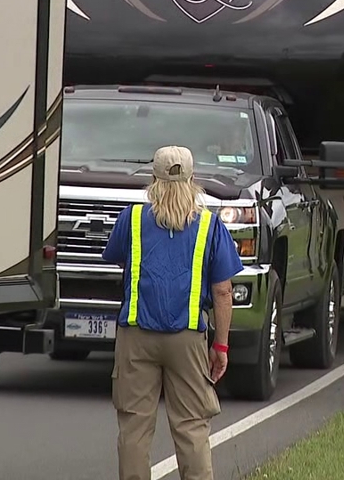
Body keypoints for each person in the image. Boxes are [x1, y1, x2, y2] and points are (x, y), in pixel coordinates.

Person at [101, 145, 244, 480]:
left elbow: (120, 261)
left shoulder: (132, 219)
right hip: (188, 338)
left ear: (154, 179)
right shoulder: (209, 225)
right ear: (193, 180)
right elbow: (223, 292)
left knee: (134, 426)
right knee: (192, 425)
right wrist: (221, 345)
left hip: (137, 335)